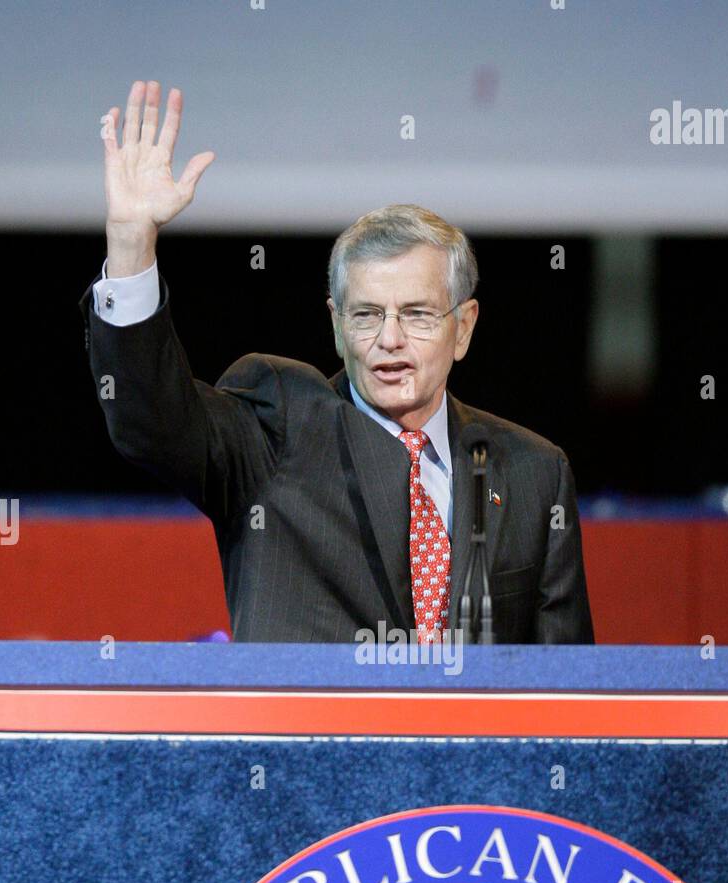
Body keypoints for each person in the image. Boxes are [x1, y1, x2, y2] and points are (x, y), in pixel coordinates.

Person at [79, 80, 595, 645]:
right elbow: (152, 422)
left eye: (418, 315)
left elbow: (564, 690)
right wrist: (131, 246)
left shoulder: (534, 472)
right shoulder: (276, 433)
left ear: (463, 326)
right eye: (367, 315)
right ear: (336, 326)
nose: (389, 339)